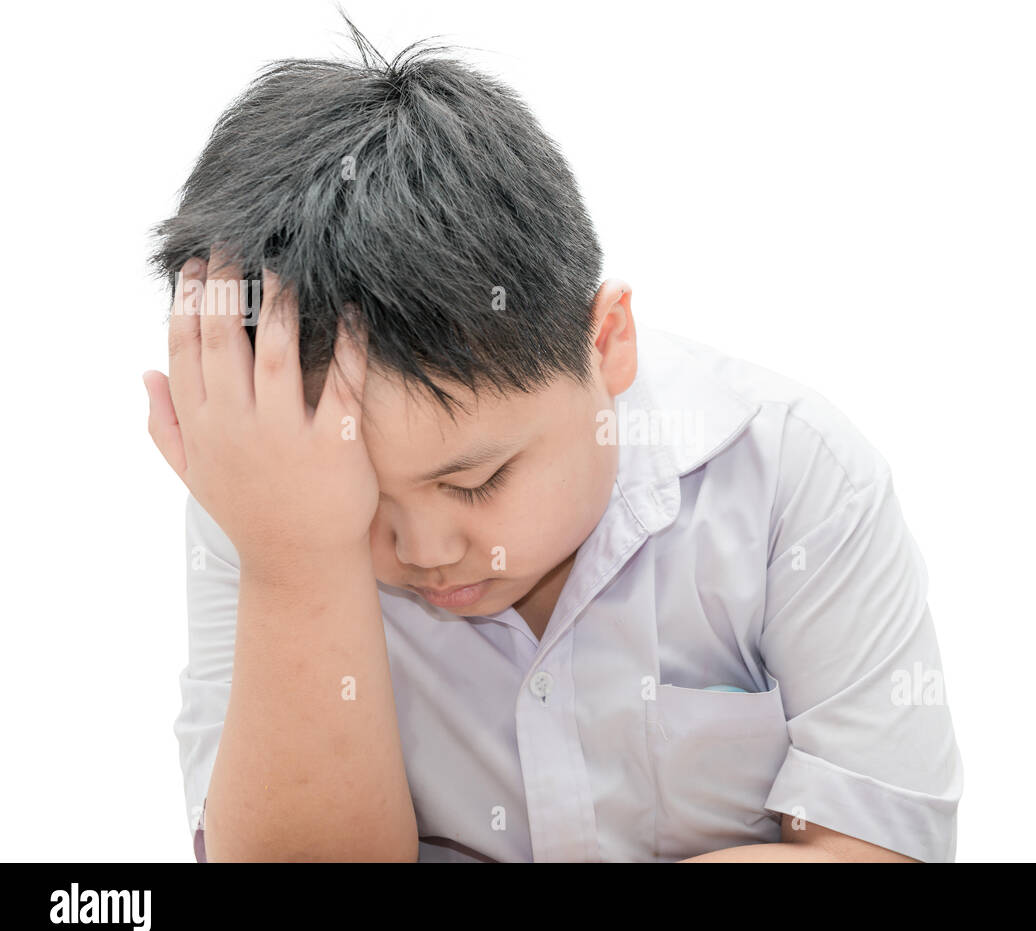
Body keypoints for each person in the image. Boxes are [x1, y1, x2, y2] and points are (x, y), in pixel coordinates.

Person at [143, 18, 962, 862]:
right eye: (364, 509)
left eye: (475, 481)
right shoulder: (275, 510)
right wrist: (300, 560)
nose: (427, 550)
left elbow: (876, 849)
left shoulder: (791, 479)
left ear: (607, 343)